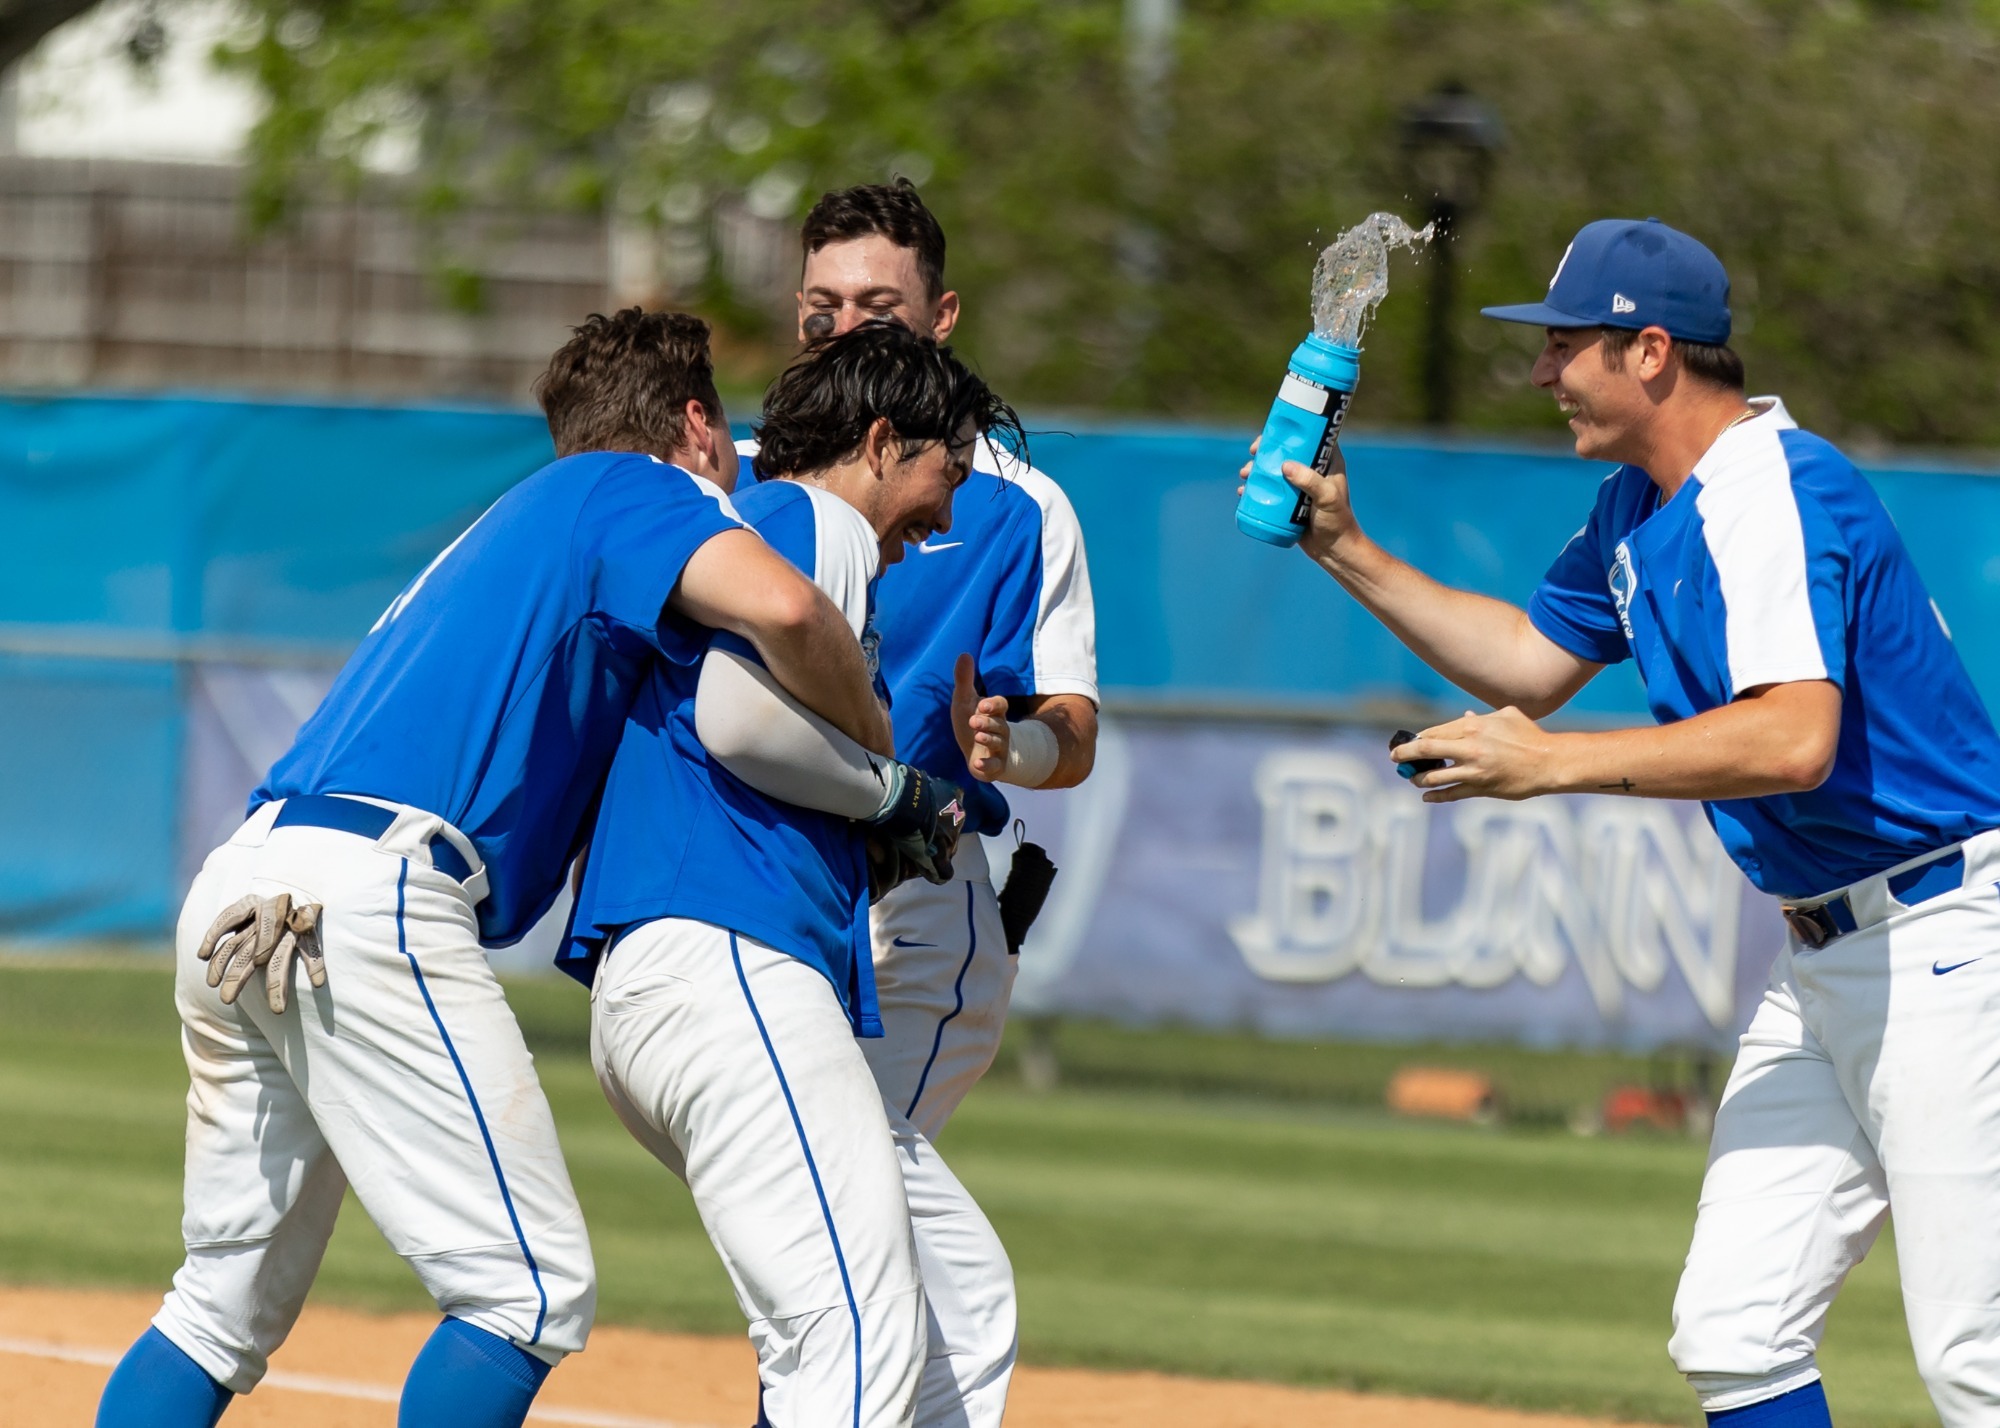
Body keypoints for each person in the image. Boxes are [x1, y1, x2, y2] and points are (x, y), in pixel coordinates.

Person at [1266, 216, 2000, 1427]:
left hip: (1946, 944)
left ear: (1649, 351)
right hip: (1825, 954)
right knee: (1733, 1331)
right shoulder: (1637, 505)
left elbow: (1789, 737)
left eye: (1566, 347)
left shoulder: (1767, 490)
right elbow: (1522, 659)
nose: (1543, 372)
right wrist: (1345, 550)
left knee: (1976, 1361)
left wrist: (1550, 766)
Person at [96, 309, 890, 1428]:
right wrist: (878, 749)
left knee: (216, 1307)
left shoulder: (518, 524)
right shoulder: (633, 485)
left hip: (250, 877)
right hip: (372, 894)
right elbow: (789, 606)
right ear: (698, 425)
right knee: (525, 1293)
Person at [564, 322, 1023, 1428]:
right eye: (943, 471)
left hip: (697, 977)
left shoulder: (761, 528)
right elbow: (730, 720)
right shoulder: (810, 519)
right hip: (724, 961)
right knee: (853, 1343)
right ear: (876, 442)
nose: (947, 514)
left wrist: (874, 807)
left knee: (953, 1301)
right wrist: (885, 793)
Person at [772, 179, 1100, 1426]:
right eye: (822, 305)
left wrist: (1007, 741)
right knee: (826, 1242)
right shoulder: (750, 472)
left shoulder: (1008, 496)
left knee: (852, 1221)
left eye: (878, 305)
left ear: (941, 315)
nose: (847, 327)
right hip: (777, 895)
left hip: (917, 902)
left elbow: (1069, 734)